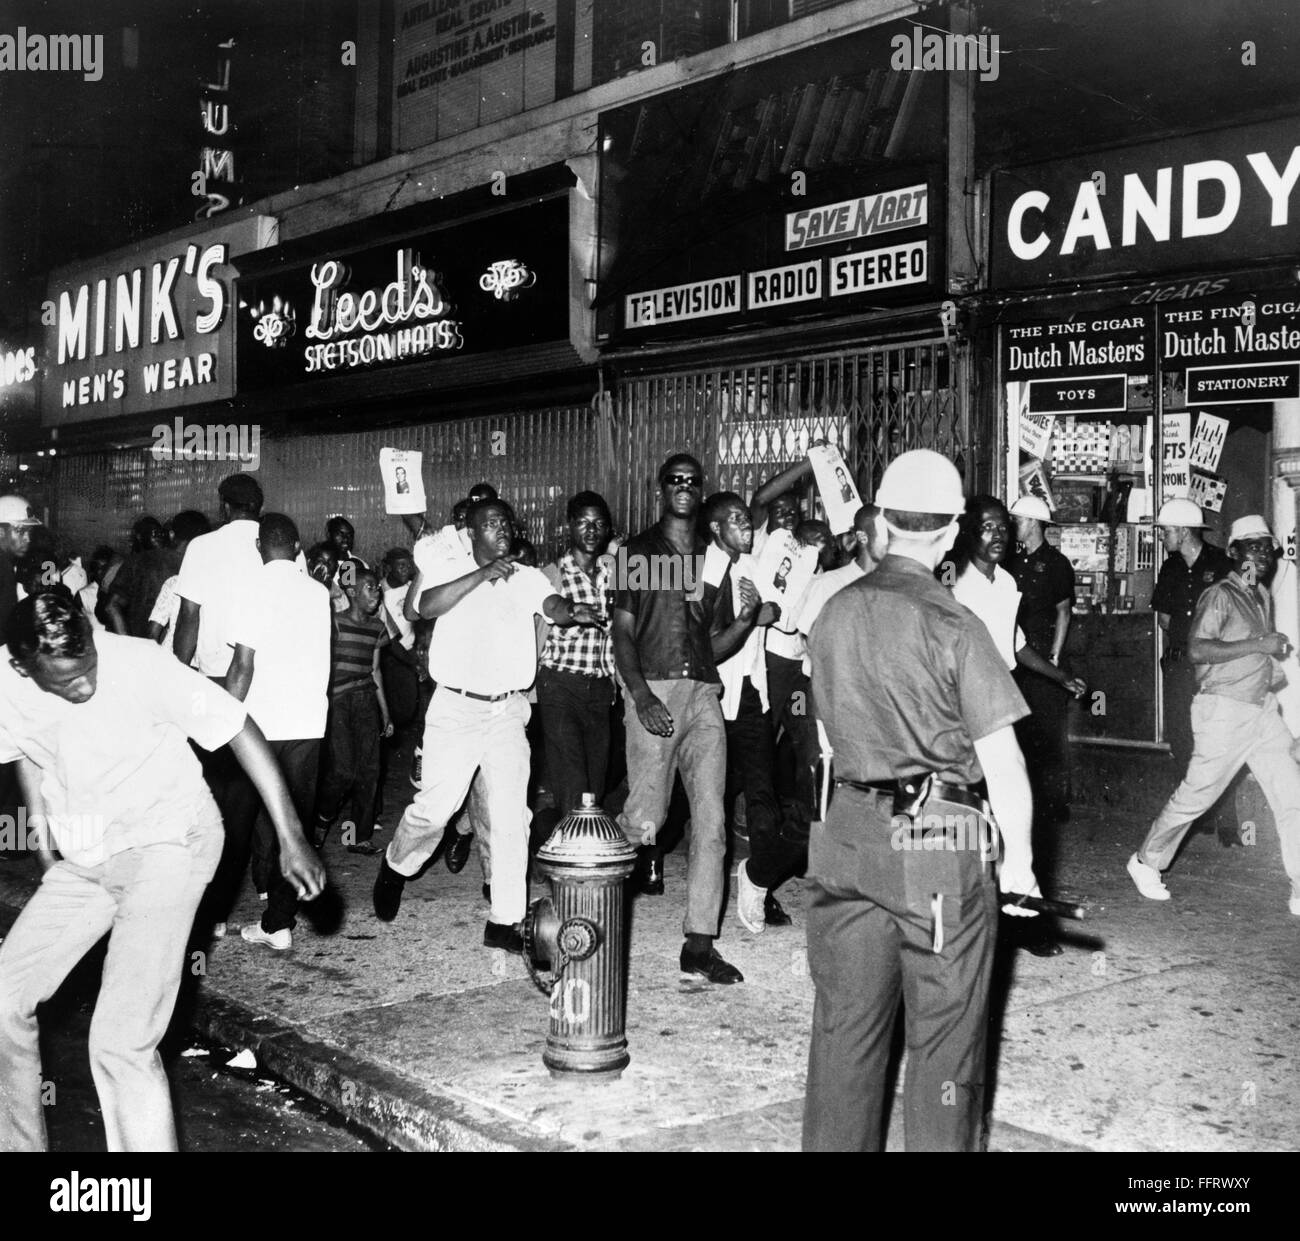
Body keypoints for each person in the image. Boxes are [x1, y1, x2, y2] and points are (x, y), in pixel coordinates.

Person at [0, 592, 324, 1151]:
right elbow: (23, 747)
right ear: (23, 665)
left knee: (120, 1040)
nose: (85, 687)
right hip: (89, 857)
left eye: (88, 670)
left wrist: (293, 837)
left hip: (169, 844)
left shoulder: (138, 664)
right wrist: (40, 830)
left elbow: (238, 726)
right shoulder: (6, 683)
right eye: (66, 682)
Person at [803, 450, 1041, 1152]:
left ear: (882, 521)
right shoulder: (955, 625)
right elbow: (1004, 760)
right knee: (944, 1048)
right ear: (952, 531)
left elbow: (825, 731)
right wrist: (1020, 864)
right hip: (934, 841)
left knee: (843, 1034)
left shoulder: (832, 610)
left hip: (845, 830)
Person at [372, 498, 598, 953]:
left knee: (513, 815)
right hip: (455, 710)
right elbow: (426, 606)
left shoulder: (526, 576)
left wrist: (570, 612)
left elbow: (551, 604)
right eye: (490, 524)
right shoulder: (452, 567)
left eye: (505, 523)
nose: (501, 530)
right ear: (471, 534)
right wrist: (481, 574)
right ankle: (396, 864)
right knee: (435, 810)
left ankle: (505, 920)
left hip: (507, 713)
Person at [612, 454, 751, 984]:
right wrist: (641, 694)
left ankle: (699, 943)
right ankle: (588, 901)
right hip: (656, 689)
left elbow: (709, 642)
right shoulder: (636, 552)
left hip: (703, 697)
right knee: (646, 819)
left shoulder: (713, 558)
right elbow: (622, 630)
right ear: (660, 489)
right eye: (675, 480)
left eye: (694, 482)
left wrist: (743, 623)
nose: (685, 488)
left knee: (713, 822)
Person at [1128, 516, 1300, 915]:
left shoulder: (1261, 596)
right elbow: (1198, 650)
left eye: (1266, 547)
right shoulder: (1220, 594)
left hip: (1261, 712)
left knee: (1292, 795)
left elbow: (1254, 650)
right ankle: (1145, 861)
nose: (1262, 554)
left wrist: (1268, 661)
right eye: (1252, 546)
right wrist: (1260, 643)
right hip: (1224, 710)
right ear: (1234, 553)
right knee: (1196, 796)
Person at [942, 495, 1086, 958]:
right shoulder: (950, 582)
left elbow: (1017, 645)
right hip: (957, 702)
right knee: (965, 814)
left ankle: (1023, 916)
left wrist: (1060, 675)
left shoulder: (1006, 582)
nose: (999, 534)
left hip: (998, 699)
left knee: (1015, 811)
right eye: (987, 527)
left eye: (1004, 526)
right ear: (967, 533)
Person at [223, 514, 333, 949]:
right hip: (308, 722)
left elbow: (242, 666)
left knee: (242, 818)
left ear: (258, 547)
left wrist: (223, 720)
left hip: (259, 725)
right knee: (294, 821)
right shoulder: (318, 592)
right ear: (298, 546)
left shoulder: (250, 590)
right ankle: (278, 922)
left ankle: (216, 914)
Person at [704, 491, 802, 934]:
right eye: (737, 518)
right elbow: (701, 636)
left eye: (748, 518)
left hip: (751, 693)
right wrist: (750, 616)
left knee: (761, 792)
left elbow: (776, 609)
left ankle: (759, 883)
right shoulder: (699, 570)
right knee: (709, 795)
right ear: (715, 527)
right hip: (711, 696)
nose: (748, 524)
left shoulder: (750, 564)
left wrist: (767, 611)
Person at [1151, 499, 1238, 846]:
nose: (1162, 538)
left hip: (1212, 668)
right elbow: (1165, 618)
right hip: (1179, 665)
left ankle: (1228, 819)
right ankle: (1198, 815)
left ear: (1184, 531)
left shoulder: (1221, 564)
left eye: (1167, 531)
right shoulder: (1170, 568)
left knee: (1218, 740)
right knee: (1182, 739)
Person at [535, 492, 616, 832]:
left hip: (600, 690)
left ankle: (549, 839)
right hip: (559, 687)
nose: (591, 530)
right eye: (583, 522)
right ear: (569, 526)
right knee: (574, 782)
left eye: (598, 523)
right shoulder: (549, 575)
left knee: (594, 788)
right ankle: (572, 875)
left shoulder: (616, 573)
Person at [1005, 495, 1077, 826]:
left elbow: (1063, 611)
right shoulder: (1011, 563)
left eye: (1017, 520)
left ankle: (1054, 803)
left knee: (1050, 732)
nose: (1013, 527)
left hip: (1044, 655)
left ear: (1033, 522)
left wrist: (1055, 658)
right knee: (1024, 731)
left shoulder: (1057, 563)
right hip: (1018, 657)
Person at [314, 568, 392, 855]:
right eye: (370, 588)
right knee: (343, 771)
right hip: (338, 703)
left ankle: (357, 837)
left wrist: (385, 712)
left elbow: (375, 670)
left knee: (370, 771)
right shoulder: (334, 625)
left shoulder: (377, 628)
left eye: (377, 588)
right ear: (352, 592)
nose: (377, 593)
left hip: (366, 701)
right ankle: (321, 819)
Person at [104, 515, 178, 637]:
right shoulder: (133, 563)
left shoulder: (136, 562)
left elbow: (112, 606)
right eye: (153, 532)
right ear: (139, 536)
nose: (158, 535)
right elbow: (111, 606)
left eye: (160, 532)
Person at [146, 511, 212, 646]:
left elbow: (152, 634)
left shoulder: (174, 582)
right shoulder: (216, 581)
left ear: (172, 534)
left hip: (170, 660)